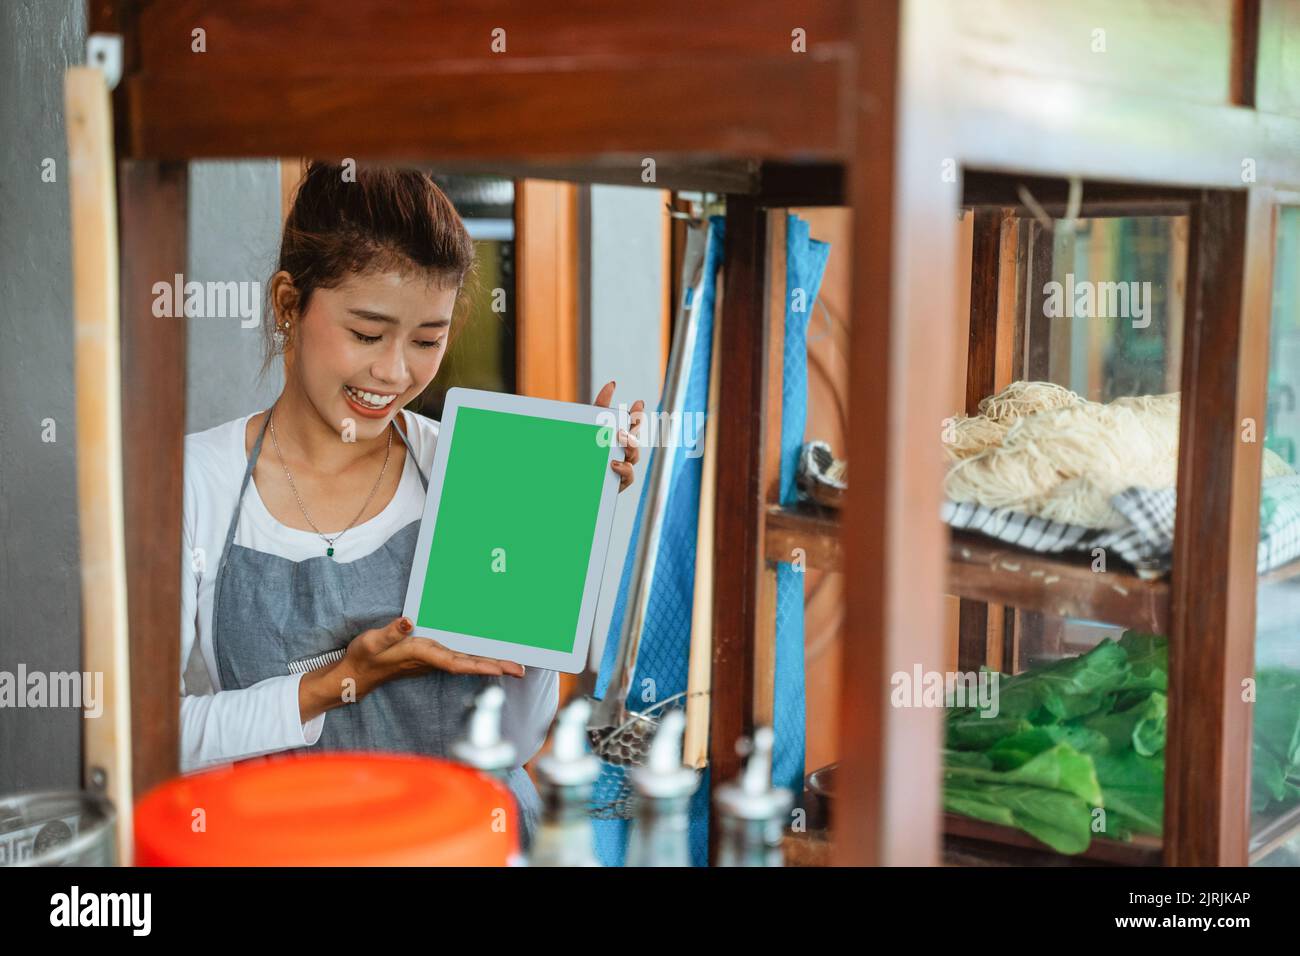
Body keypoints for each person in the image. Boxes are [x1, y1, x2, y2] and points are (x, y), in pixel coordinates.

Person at [179, 161, 644, 851]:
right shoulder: (197, 482)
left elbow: (515, 739)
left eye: (428, 340)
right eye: (367, 334)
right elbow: (152, 738)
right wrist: (341, 681)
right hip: (294, 851)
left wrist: (558, 534)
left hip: (472, 845)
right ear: (287, 304)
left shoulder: (468, 468)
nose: (396, 372)